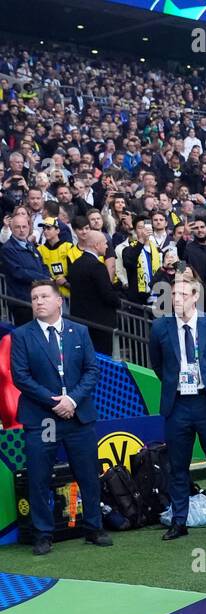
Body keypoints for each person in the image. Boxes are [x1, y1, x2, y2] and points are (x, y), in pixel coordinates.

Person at [8, 281, 112, 554]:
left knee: (89, 474)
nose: (38, 301)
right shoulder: (22, 336)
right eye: (33, 298)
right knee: (40, 477)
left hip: (78, 417)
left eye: (43, 296)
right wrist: (54, 402)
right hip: (43, 418)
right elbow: (21, 377)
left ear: (58, 302)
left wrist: (72, 400)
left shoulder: (79, 332)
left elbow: (92, 370)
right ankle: (43, 533)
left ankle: (93, 527)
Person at [148, 273, 206, 539]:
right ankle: (179, 521)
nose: (177, 299)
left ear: (196, 297)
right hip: (177, 405)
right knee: (177, 465)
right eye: (173, 294)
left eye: (183, 295)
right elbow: (158, 365)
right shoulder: (160, 328)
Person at [66, 229, 120, 356]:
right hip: (100, 325)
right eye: (105, 243)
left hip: (80, 321)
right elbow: (107, 294)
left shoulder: (76, 264)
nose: (107, 246)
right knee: (102, 359)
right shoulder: (98, 267)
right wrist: (118, 301)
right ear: (97, 245)